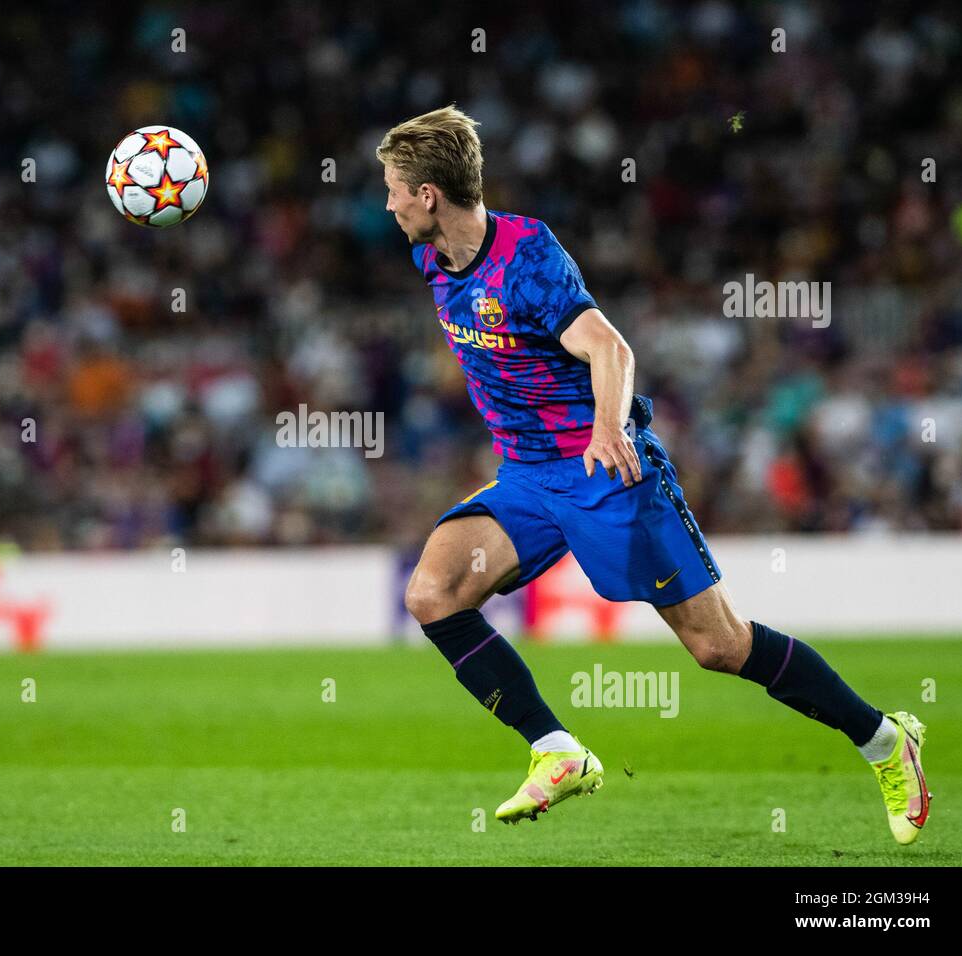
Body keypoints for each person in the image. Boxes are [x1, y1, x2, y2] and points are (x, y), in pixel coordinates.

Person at [379, 105, 929, 843]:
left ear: (428, 196)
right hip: (528, 479)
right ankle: (557, 752)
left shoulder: (527, 256)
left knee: (719, 648)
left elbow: (609, 349)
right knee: (433, 592)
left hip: (605, 469)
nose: (386, 204)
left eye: (392, 189)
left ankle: (886, 742)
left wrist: (607, 427)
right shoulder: (432, 258)